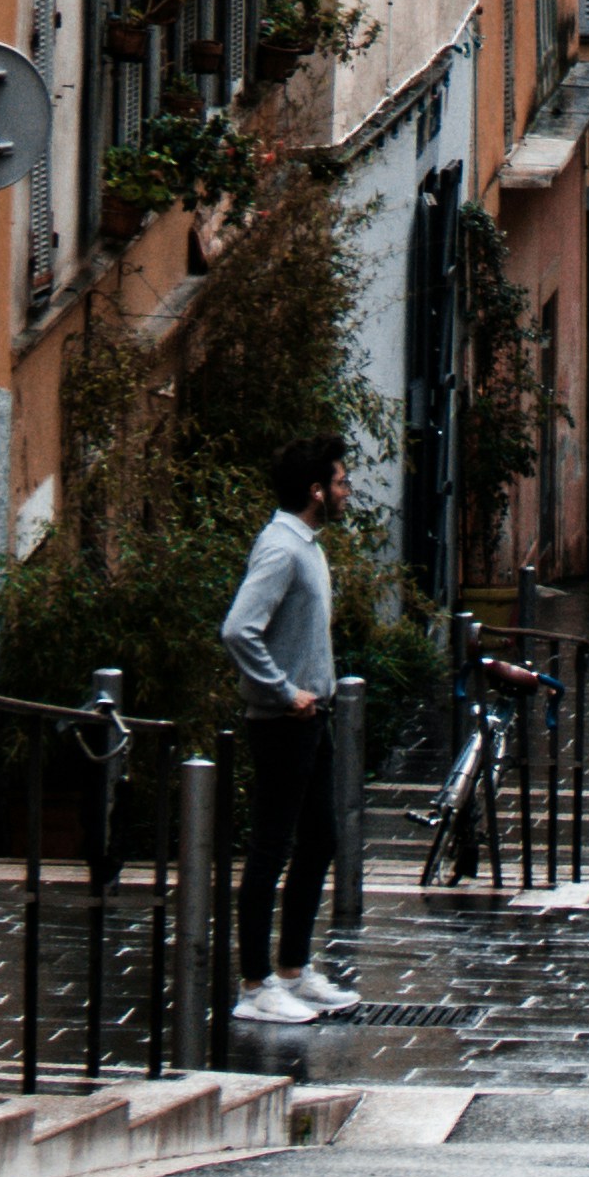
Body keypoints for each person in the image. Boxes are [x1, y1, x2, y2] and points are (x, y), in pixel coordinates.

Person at [221, 432, 357, 1021]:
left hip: (311, 717)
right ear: (316, 490)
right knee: (272, 847)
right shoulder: (281, 547)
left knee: (320, 839)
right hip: (283, 720)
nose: (348, 490)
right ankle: (254, 988)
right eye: (342, 481)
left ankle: (293, 970)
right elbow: (238, 629)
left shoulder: (308, 544)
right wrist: (284, 691)